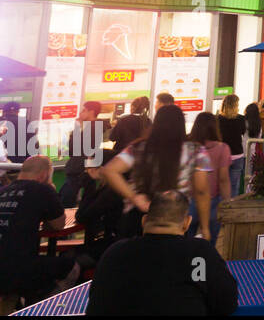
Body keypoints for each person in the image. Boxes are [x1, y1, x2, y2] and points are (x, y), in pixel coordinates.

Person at [86, 190, 238, 316]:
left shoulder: (114, 252)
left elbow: (95, 306)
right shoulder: (200, 253)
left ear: (144, 221)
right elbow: (227, 304)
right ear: (186, 223)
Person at [104, 104, 212, 240]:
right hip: (174, 218)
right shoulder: (196, 151)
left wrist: (134, 197)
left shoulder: (138, 147)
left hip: (138, 216)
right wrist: (205, 228)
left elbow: (110, 171)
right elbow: (202, 191)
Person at [0, 157, 80, 300]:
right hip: (21, 270)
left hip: (5, 269)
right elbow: (58, 225)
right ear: (44, 175)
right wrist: (51, 191)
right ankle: (48, 305)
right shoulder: (43, 189)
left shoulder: (2, 191)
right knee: (73, 267)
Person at [74, 151, 123, 267]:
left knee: (69, 259)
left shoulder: (112, 192)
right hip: (111, 243)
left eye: (90, 166)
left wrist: (88, 185)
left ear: (102, 168)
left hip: (112, 248)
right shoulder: (108, 188)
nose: (87, 170)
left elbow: (82, 216)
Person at [188, 112, 231, 241]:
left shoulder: (188, 146)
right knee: (209, 242)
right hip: (212, 202)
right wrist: (226, 202)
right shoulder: (223, 148)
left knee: (186, 241)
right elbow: (223, 179)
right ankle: (204, 261)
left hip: (188, 201)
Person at [61, 100, 103, 207]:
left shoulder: (93, 127)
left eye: (84, 110)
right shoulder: (94, 127)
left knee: (67, 199)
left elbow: (74, 149)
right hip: (85, 168)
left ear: (91, 112)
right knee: (88, 196)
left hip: (79, 168)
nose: (80, 113)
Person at [217, 94, 248, 196]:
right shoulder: (241, 119)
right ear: (236, 105)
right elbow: (243, 132)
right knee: (234, 185)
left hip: (221, 156)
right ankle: (231, 207)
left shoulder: (217, 119)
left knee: (221, 184)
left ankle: (222, 208)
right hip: (237, 154)